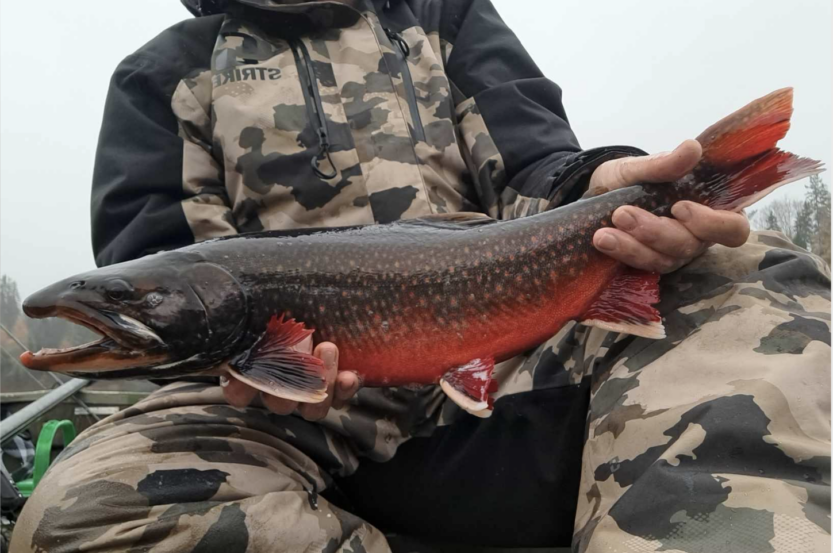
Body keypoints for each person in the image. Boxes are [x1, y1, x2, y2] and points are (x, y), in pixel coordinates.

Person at [12, 0, 830, 551]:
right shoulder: (162, 73)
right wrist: (248, 368)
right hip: (274, 415)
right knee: (83, 514)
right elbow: (157, 266)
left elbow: (540, 167)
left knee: (752, 270)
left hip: (515, 351)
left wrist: (606, 189)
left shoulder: (445, 16)